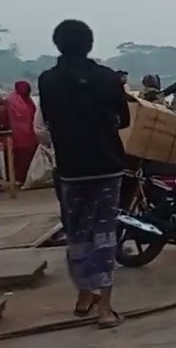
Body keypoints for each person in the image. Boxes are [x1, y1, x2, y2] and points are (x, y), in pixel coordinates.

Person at [38, 20, 131, 328]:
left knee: (77, 232)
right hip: (107, 167)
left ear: (58, 45)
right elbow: (124, 120)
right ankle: (105, 308)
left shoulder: (47, 81)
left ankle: (83, 294)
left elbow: (50, 121)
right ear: (90, 44)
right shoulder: (108, 78)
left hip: (71, 169)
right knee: (105, 233)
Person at [3, 81, 39, 184]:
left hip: (29, 137)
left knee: (26, 159)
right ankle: (16, 179)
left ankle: (24, 179)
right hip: (14, 137)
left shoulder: (28, 101)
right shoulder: (11, 102)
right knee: (16, 159)